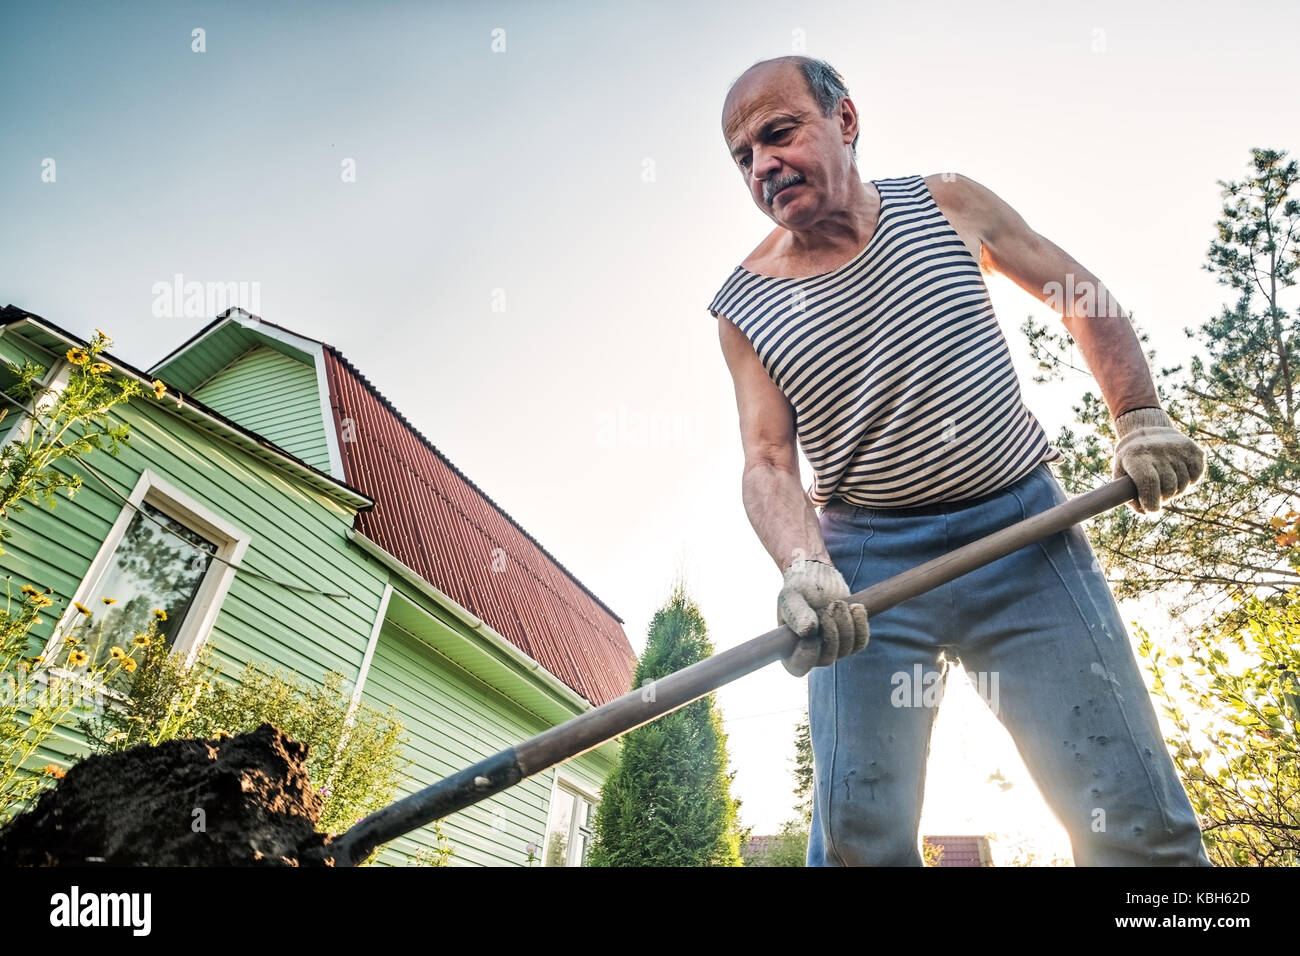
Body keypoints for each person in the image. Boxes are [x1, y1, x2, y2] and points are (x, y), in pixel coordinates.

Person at [707, 55, 1211, 866]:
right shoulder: (745, 305)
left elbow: (1076, 291)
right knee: (856, 845)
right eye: (743, 158)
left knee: (1134, 821)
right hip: (869, 574)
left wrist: (1140, 416)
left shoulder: (947, 203)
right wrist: (804, 566)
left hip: (1023, 536)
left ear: (845, 121)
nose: (763, 166)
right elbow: (767, 460)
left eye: (778, 133)